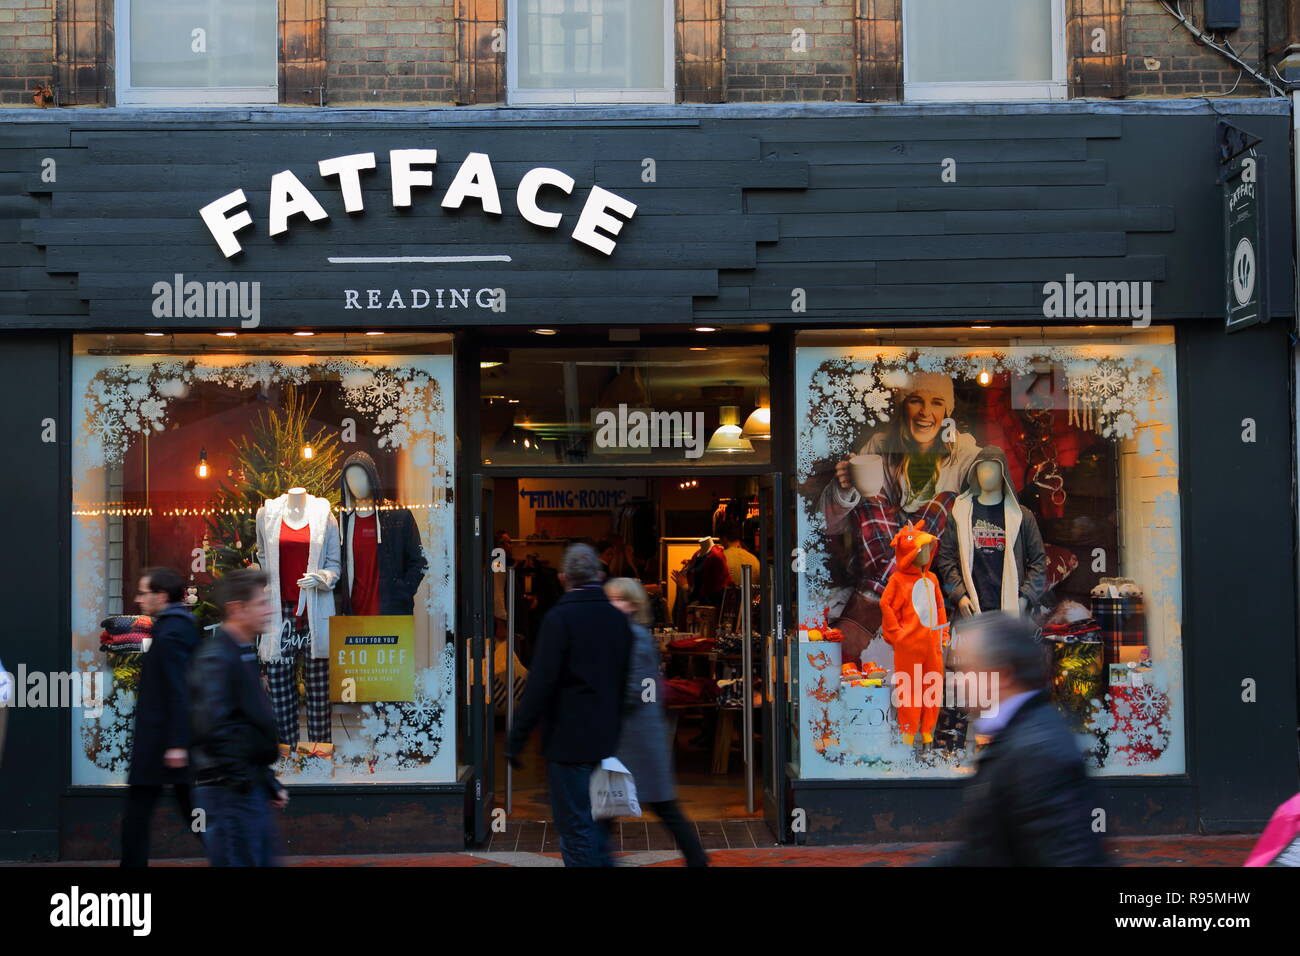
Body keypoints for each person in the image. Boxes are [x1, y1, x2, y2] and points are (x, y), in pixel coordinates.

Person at [821, 372, 980, 663]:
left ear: (947, 411)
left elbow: (995, 487)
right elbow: (831, 525)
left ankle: (864, 611)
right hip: (880, 555)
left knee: (946, 500)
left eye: (936, 402)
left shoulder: (964, 451)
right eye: (915, 400)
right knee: (870, 497)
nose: (925, 412)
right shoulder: (881, 446)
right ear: (902, 406)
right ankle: (883, 591)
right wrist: (844, 488)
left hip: (931, 567)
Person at [932, 612, 1108, 866]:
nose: (958, 682)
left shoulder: (1038, 754)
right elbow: (981, 851)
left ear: (1001, 677)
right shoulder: (1014, 737)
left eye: (968, 671)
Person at [505, 544, 634, 867]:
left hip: (567, 743)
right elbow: (624, 681)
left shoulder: (558, 619)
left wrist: (517, 738)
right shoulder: (616, 620)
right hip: (606, 741)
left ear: (563, 578)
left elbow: (540, 685)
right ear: (600, 575)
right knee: (599, 828)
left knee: (577, 829)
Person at [603, 577, 709, 868]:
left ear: (632, 606)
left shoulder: (633, 639)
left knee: (657, 808)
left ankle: (698, 860)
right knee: (610, 809)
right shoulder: (628, 636)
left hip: (635, 739)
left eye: (616, 600)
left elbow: (632, 690)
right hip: (635, 739)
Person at [189, 569, 288, 867]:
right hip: (230, 795)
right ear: (237, 609)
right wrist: (247, 780)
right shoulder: (219, 657)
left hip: (245, 790)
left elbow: (246, 725)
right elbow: (214, 727)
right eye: (261, 603)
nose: (269, 609)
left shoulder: (241, 653)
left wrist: (265, 781)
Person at [120, 567, 204, 867]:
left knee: (139, 815)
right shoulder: (173, 627)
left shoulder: (171, 632)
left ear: (161, 595)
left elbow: (178, 688)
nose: (138, 599)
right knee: (187, 809)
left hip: (162, 742)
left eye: (143, 593)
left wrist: (177, 744)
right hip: (165, 741)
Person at [720, 522, 759, 589]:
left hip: (728, 598)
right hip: (750, 598)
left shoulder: (721, 558)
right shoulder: (754, 559)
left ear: (724, 539)